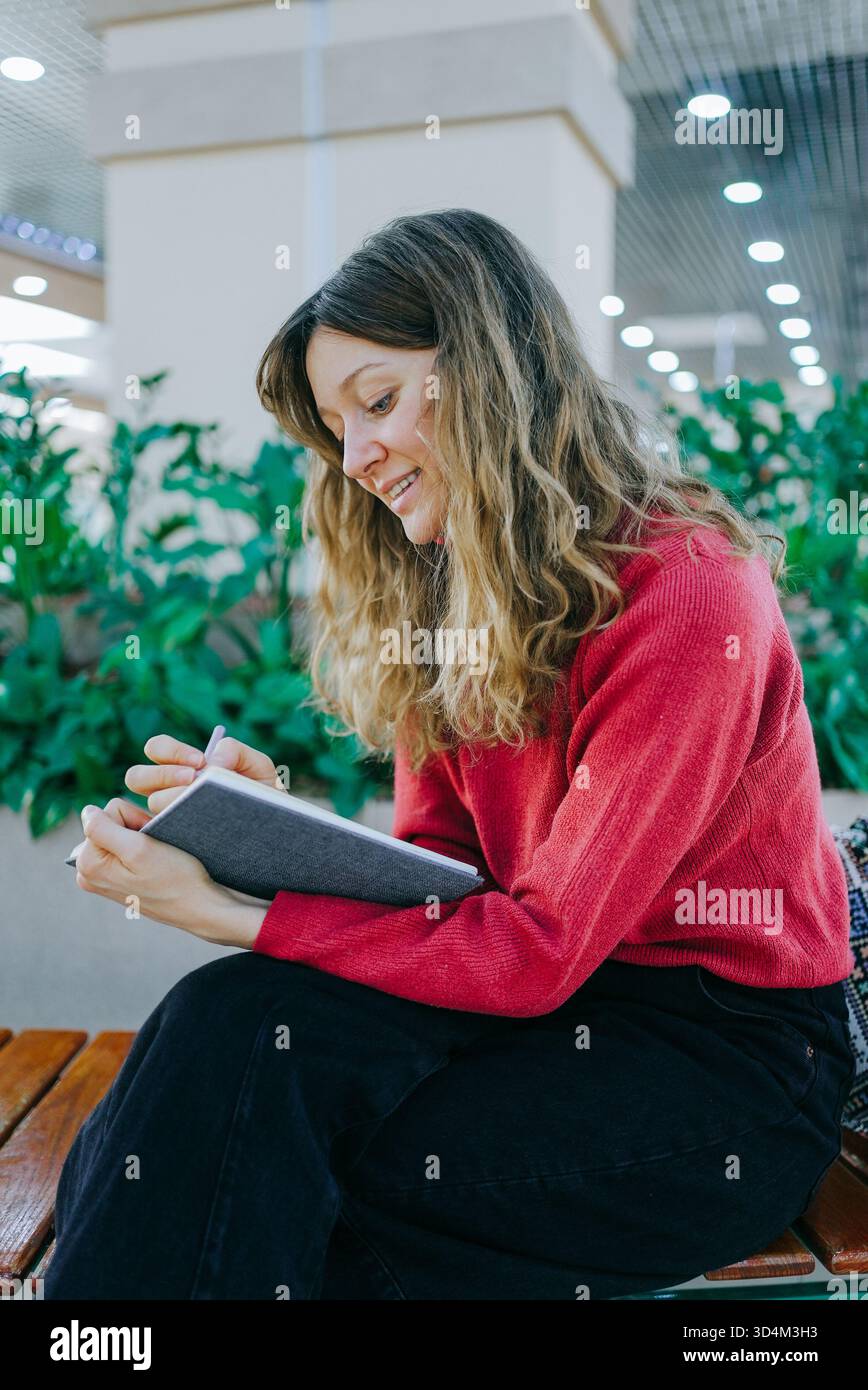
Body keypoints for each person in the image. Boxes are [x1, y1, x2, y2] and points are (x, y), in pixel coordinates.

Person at [44, 209, 855, 1301]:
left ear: (493, 369)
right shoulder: (452, 596)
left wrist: (227, 910)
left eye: (376, 401)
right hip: (548, 1013)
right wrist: (276, 843)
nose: (356, 455)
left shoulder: (686, 592)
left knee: (250, 1168)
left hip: (721, 1072)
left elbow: (536, 949)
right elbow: (446, 880)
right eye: (336, 428)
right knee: (227, 1032)